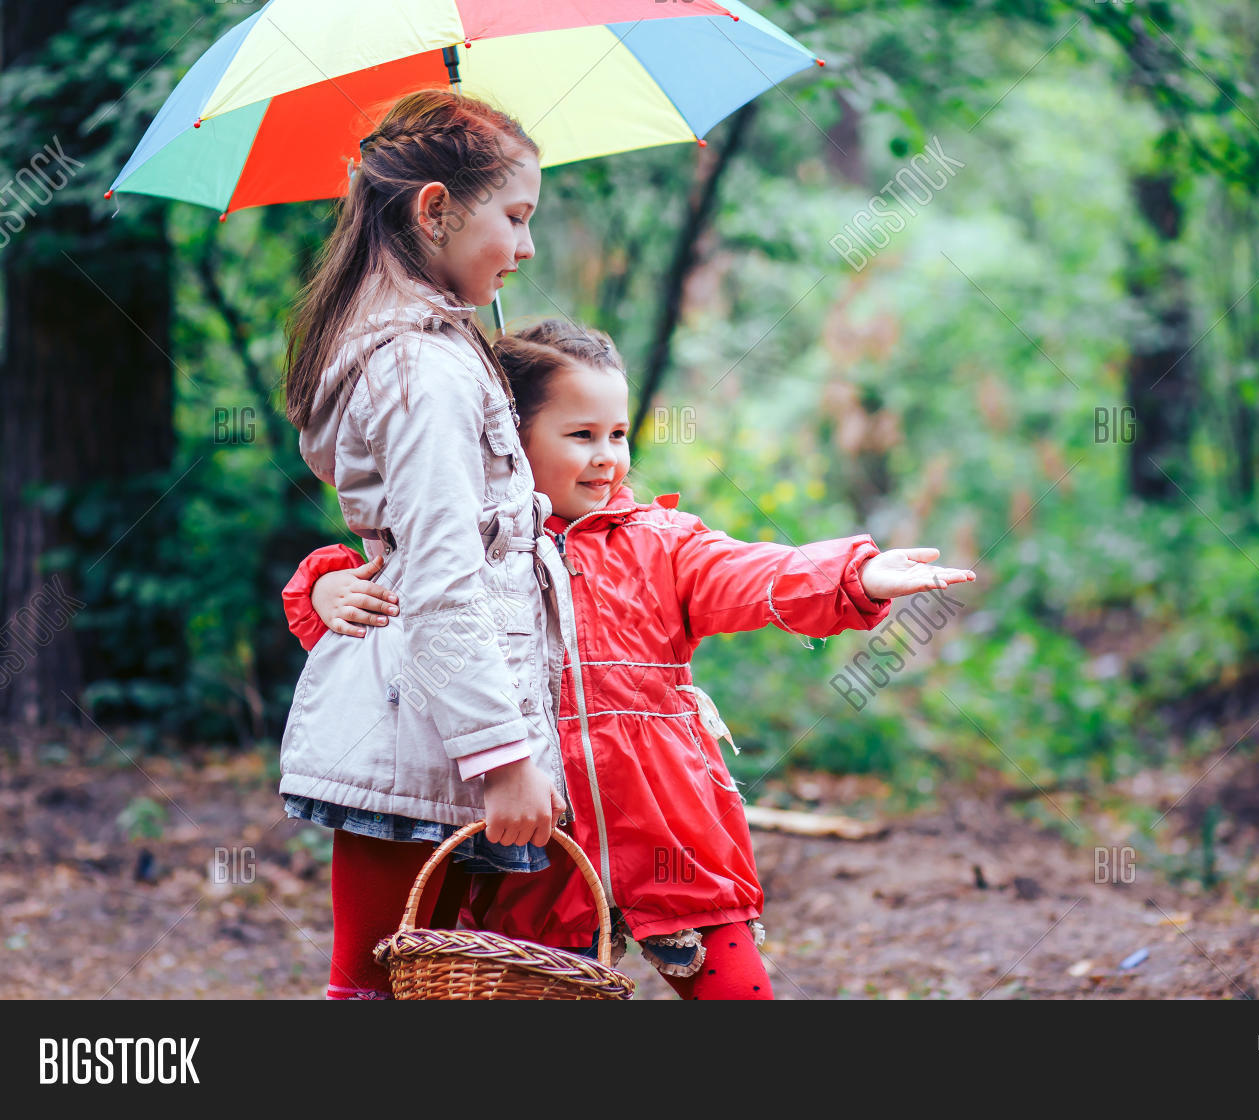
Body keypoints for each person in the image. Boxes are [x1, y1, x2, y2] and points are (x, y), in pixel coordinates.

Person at [285, 319, 977, 998]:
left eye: (617, 435)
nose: (607, 457)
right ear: (507, 441)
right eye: (580, 435)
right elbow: (405, 612)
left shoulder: (661, 543)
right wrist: (323, 583)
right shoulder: (481, 556)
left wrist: (855, 576)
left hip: (671, 830)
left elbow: (753, 574)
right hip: (543, 854)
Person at [279, 89, 566, 1000]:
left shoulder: (426, 350)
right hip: (426, 737)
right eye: (514, 218)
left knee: (418, 987)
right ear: (434, 210)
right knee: (379, 991)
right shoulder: (423, 369)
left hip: (424, 729)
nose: (525, 248)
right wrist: (506, 759)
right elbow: (443, 579)